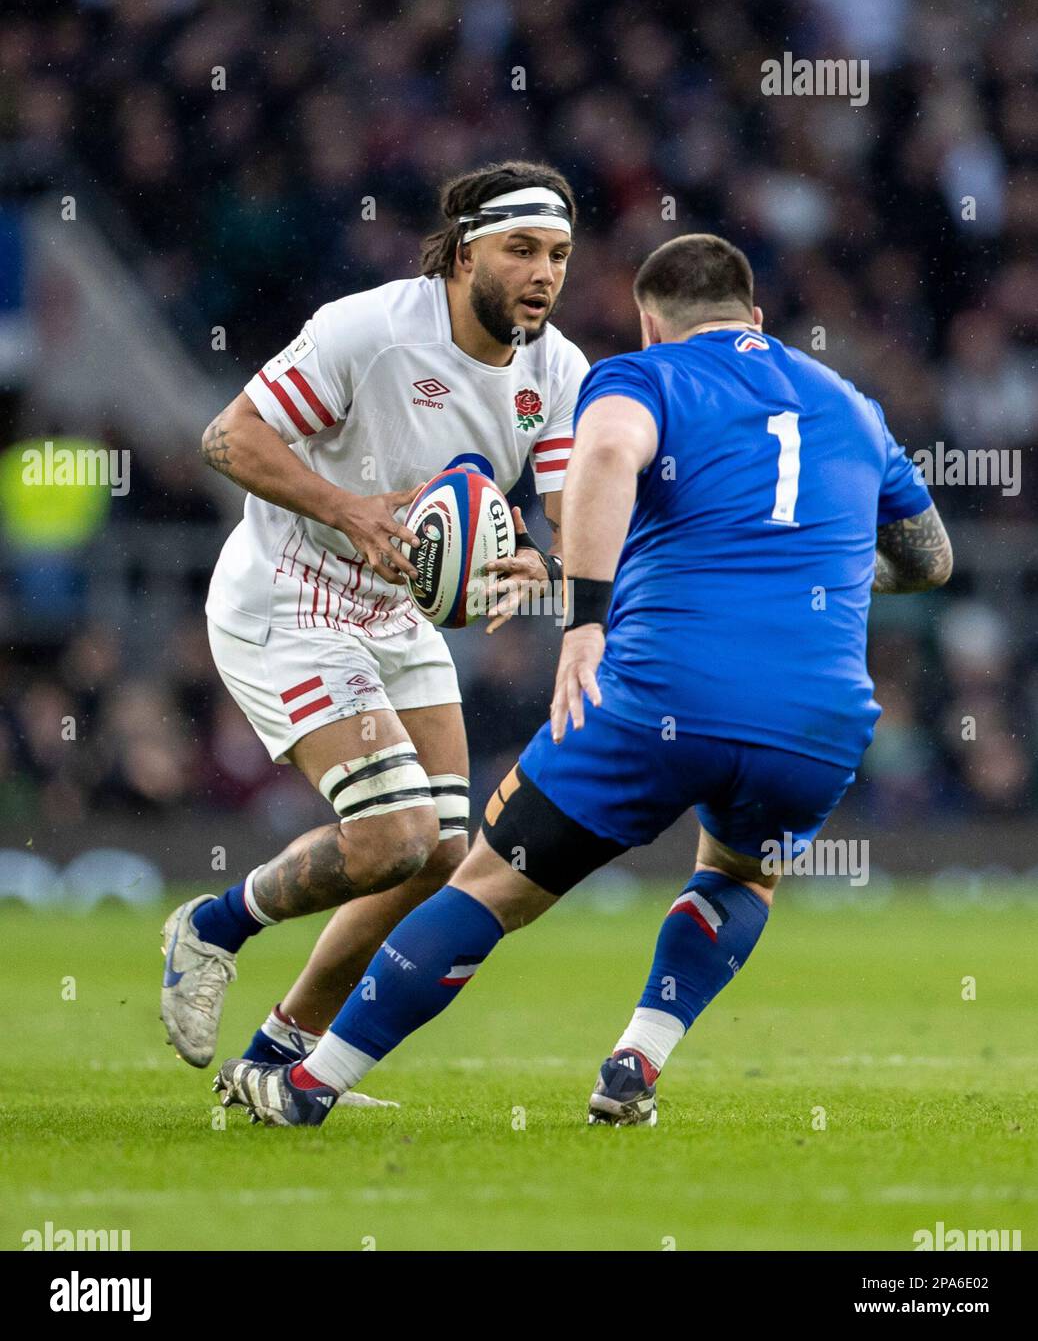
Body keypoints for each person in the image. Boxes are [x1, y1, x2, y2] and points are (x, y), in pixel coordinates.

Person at [213, 232, 953, 1128]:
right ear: (755, 318)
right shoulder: (850, 403)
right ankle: (638, 1056)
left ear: (649, 324)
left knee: (485, 887)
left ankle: (306, 1084)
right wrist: (816, 571)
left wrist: (585, 618)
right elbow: (927, 560)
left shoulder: (642, 378)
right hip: (816, 721)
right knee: (738, 879)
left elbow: (605, 460)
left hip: (659, 694)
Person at [161, 162, 588, 1087]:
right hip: (290, 593)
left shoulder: (556, 368)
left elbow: (566, 508)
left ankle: (273, 1056)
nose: (543, 274)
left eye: (557, 254)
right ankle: (212, 926)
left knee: (435, 859)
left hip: (393, 612)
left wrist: (543, 563)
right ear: (465, 249)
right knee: (390, 838)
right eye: (520, 250)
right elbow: (226, 436)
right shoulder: (375, 330)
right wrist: (349, 508)